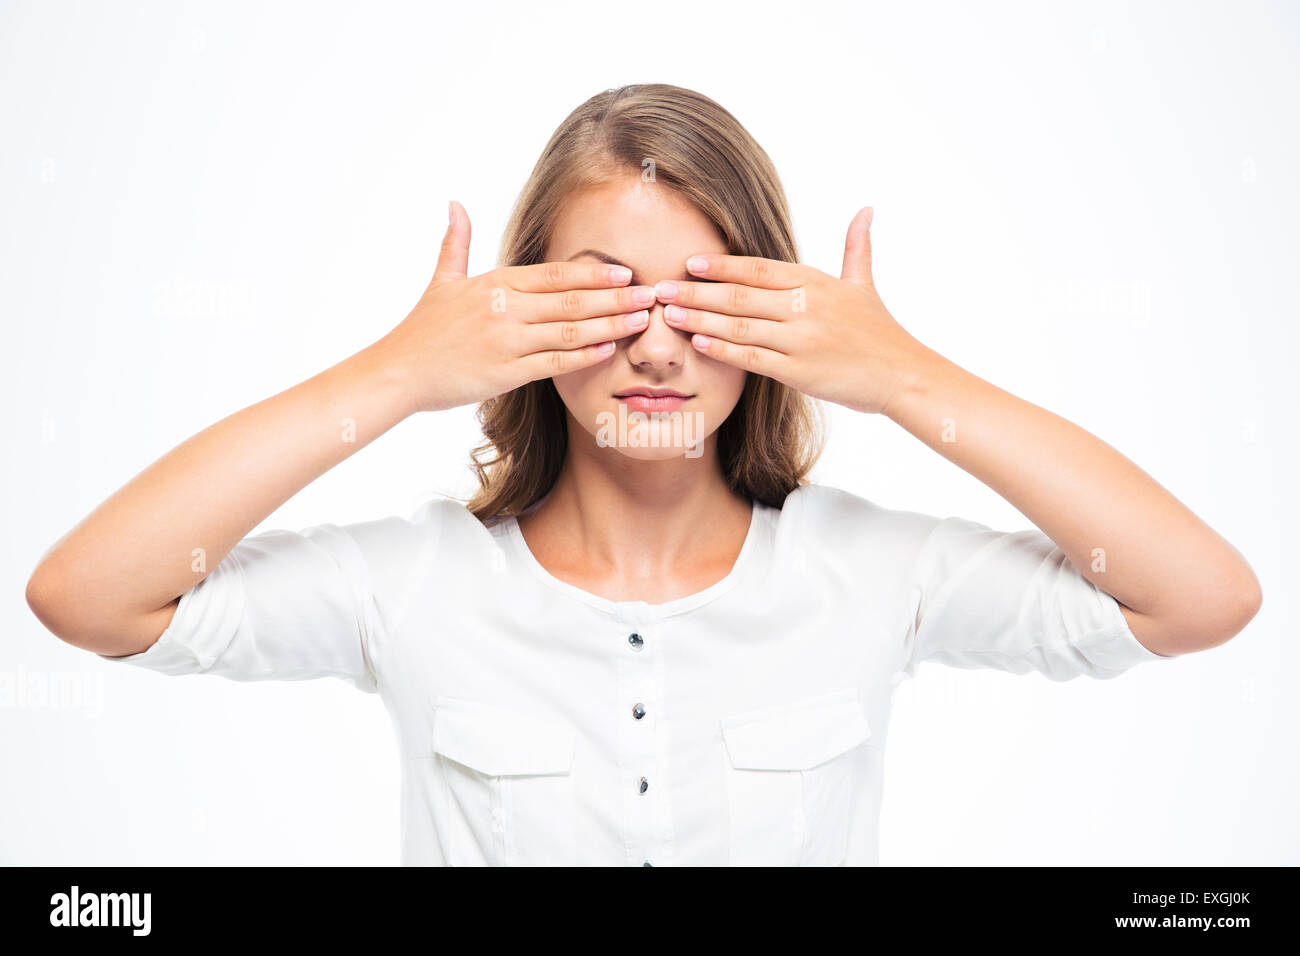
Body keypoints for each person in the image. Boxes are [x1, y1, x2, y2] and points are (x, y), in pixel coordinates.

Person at [25, 83, 1261, 866]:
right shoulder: (407, 583)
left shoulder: (874, 570)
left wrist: (901, 375)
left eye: (706, 292)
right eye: (603, 293)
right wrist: (397, 373)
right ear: (520, 308)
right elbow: (90, 595)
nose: (658, 341)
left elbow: (1199, 597)